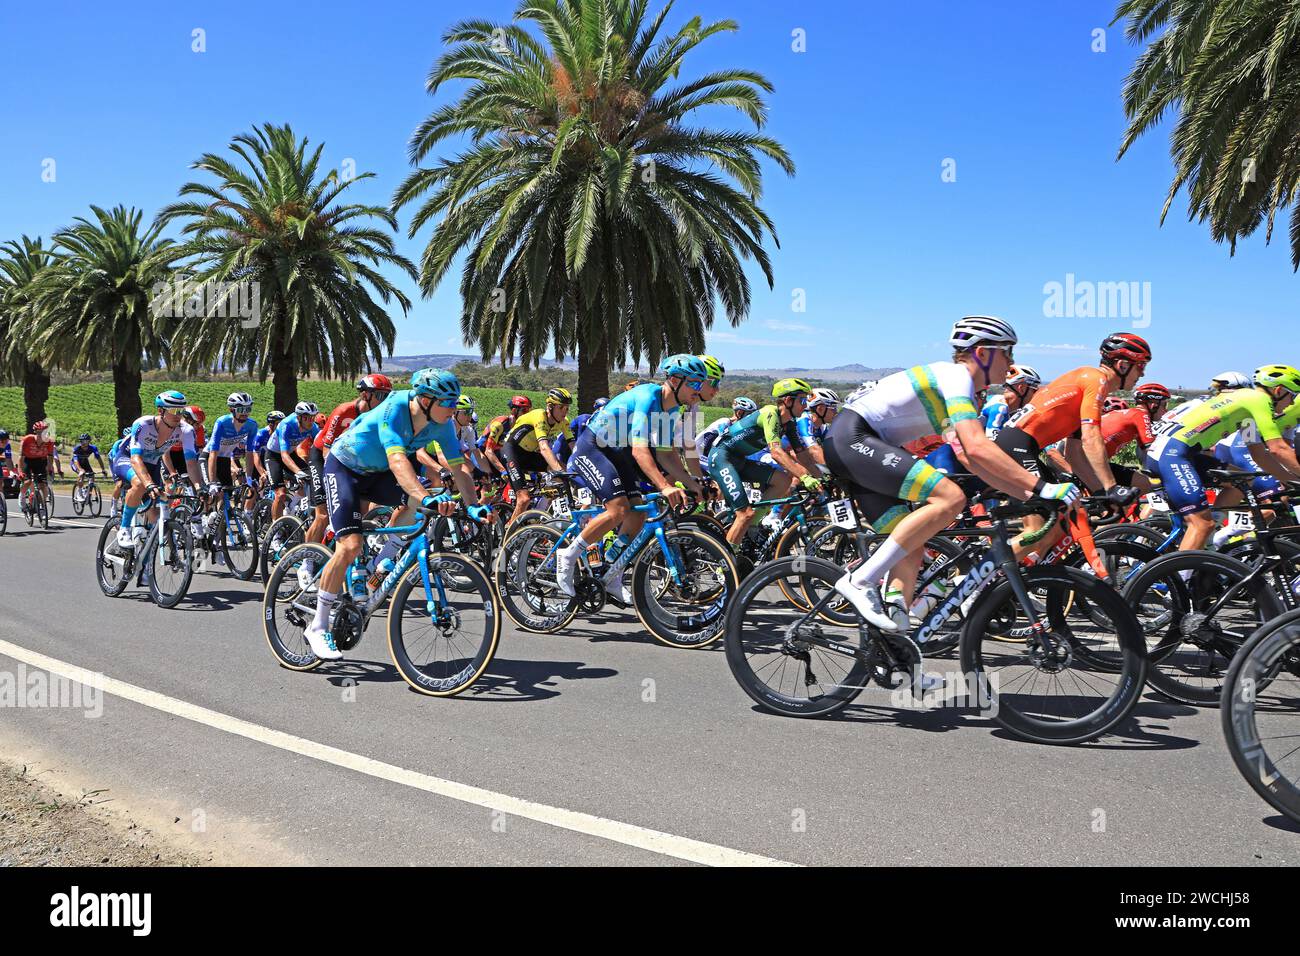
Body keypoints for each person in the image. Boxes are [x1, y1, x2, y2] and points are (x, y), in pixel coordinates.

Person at [823, 316, 1081, 631]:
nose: (1011, 362)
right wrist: (1042, 486)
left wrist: (1029, 497)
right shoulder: (957, 377)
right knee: (950, 497)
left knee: (912, 542)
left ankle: (897, 650)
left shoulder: (961, 391)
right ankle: (861, 580)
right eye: (1007, 351)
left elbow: (971, 459)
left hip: (861, 445)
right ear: (983, 353)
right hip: (853, 438)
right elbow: (978, 445)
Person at [306, 368, 490, 660]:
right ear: (426, 400)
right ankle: (317, 626)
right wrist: (426, 496)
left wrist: (473, 504)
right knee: (350, 545)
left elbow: (459, 470)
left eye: (455, 403)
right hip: (346, 469)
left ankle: (379, 565)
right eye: (448, 402)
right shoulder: (395, 408)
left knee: (419, 507)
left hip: (377, 475)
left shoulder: (441, 423)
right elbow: (397, 463)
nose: (453, 409)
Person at [559, 355, 710, 601]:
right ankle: (568, 555)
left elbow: (665, 454)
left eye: (701, 383)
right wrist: (664, 487)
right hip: (594, 446)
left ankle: (612, 573)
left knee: (637, 514)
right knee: (618, 509)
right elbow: (640, 451)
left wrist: (694, 483)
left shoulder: (671, 408)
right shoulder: (647, 397)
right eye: (694, 383)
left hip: (618, 451)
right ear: (674, 380)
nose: (699, 389)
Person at [995, 332, 1150, 558]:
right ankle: (985, 584)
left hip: (1023, 447)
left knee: (1057, 528)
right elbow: (1091, 437)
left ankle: (1019, 583)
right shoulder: (1096, 379)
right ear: (1123, 365)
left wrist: (1100, 493)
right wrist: (1112, 488)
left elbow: (1075, 455)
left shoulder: (1087, 384)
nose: (1143, 374)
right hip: (1017, 446)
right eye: (1141, 366)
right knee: (1037, 530)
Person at [1147, 365, 1300, 551]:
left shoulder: (1247, 408)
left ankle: (1209, 545)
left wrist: (1291, 481)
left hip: (1180, 452)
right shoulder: (1258, 399)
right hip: (1173, 454)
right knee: (1202, 524)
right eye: (1292, 395)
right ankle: (1177, 577)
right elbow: (1278, 449)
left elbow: (1258, 454)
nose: (1292, 403)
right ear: (1278, 390)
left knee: (1246, 479)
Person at [708, 379, 824, 548]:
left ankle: (752, 526)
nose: (805, 406)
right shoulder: (770, 413)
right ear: (788, 401)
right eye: (802, 400)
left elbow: (804, 457)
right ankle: (724, 566)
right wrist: (805, 476)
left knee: (783, 480)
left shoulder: (789, 425)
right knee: (744, 514)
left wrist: (822, 477)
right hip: (721, 458)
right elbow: (776, 452)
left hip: (739, 460)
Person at [301, 374, 393, 545]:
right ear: (365, 395)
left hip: (352, 461)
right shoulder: (344, 410)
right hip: (321, 456)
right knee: (323, 514)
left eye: (387, 396)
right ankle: (307, 560)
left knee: (361, 510)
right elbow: (327, 448)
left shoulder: (381, 415)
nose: (384, 401)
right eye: (381, 396)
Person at [110, 391, 205, 551]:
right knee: (140, 484)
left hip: (152, 465)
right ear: (161, 411)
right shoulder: (143, 424)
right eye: (174, 411)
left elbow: (191, 463)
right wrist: (149, 484)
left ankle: (146, 566)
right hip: (127, 459)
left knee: (155, 517)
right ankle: (124, 529)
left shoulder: (186, 430)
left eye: (181, 411)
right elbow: (136, 459)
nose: (178, 416)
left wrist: (199, 488)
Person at [501, 387, 573, 524]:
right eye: (562, 407)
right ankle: (508, 535)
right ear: (550, 407)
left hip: (528, 455)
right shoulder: (539, 416)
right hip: (511, 451)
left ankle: (538, 516)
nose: (565, 411)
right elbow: (544, 448)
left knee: (563, 476)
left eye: (567, 408)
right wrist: (560, 471)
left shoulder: (564, 422)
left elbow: (574, 446)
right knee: (524, 498)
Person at [204, 392, 260, 518]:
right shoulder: (222, 422)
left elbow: (249, 453)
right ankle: (200, 517)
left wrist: (249, 478)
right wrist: (212, 482)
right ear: (232, 409)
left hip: (224, 459)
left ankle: (218, 523)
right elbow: (213, 452)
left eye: (248, 409)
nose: (245, 413)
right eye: (241, 409)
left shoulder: (252, 425)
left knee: (226, 494)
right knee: (210, 493)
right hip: (209, 457)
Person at [266, 402, 319, 520]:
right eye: (306, 418)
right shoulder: (286, 425)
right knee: (281, 494)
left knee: (312, 479)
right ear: (299, 417)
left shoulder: (313, 427)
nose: (310, 421)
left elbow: (322, 447)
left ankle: (294, 506)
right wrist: (298, 472)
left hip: (291, 454)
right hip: (274, 456)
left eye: (313, 417)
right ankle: (275, 532)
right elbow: (283, 455)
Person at [981, 365, 1041, 439]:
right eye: (1034, 390)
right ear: (1021, 388)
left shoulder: (1006, 406)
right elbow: (993, 445)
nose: (1035, 394)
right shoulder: (1000, 408)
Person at [480, 395, 532, 478]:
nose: (527, 414)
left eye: (528, 411)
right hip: (481, 453)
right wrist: (503, 471)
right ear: (514, 411)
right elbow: (488, 451)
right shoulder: (500, 424)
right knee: (488, 480)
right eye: (524, 410)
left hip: (498, 454)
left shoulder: (521, 427)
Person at [17, 421, 56, 509]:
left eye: (44, 432)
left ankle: (41, 505)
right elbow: (21, 458)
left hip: (40, 461)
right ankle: (22, 495)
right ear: (36, 432)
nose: (42, 434)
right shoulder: (27, 439)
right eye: (39, 432)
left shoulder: (50, 441)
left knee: (42, 485)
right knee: (27, 482)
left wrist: (49, 469)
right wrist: (20, 472)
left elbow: (50, 457)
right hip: (27, 460)